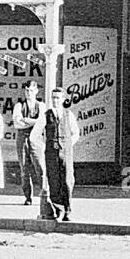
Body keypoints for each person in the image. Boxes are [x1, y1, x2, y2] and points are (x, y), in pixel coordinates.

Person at [37, 86, 80, 222]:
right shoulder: (46, 115)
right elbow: (35, 135)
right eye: (53, 98)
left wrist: (68, 145)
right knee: (54, 181)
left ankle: (68, 210)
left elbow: (76, 133)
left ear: (63, 99)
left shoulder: (69, 115)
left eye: (57, 98)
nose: (55, 100)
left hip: (66, 152)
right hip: (51, 152)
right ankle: (59, 210)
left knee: (68, 180)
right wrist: (45, 146)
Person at [12, 82, 47, 206]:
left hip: (37, 138)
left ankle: (44, 194)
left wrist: (26, 120)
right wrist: (34, 122)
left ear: (36, 91)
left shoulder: (41, 105)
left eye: (31, 90)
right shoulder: (19, 105)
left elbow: (43, 122)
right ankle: (28, 197)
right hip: (22, 138)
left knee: (40, 167)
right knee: (24, 169)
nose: (28, 93)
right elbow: (17, 124)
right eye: (26, 90)